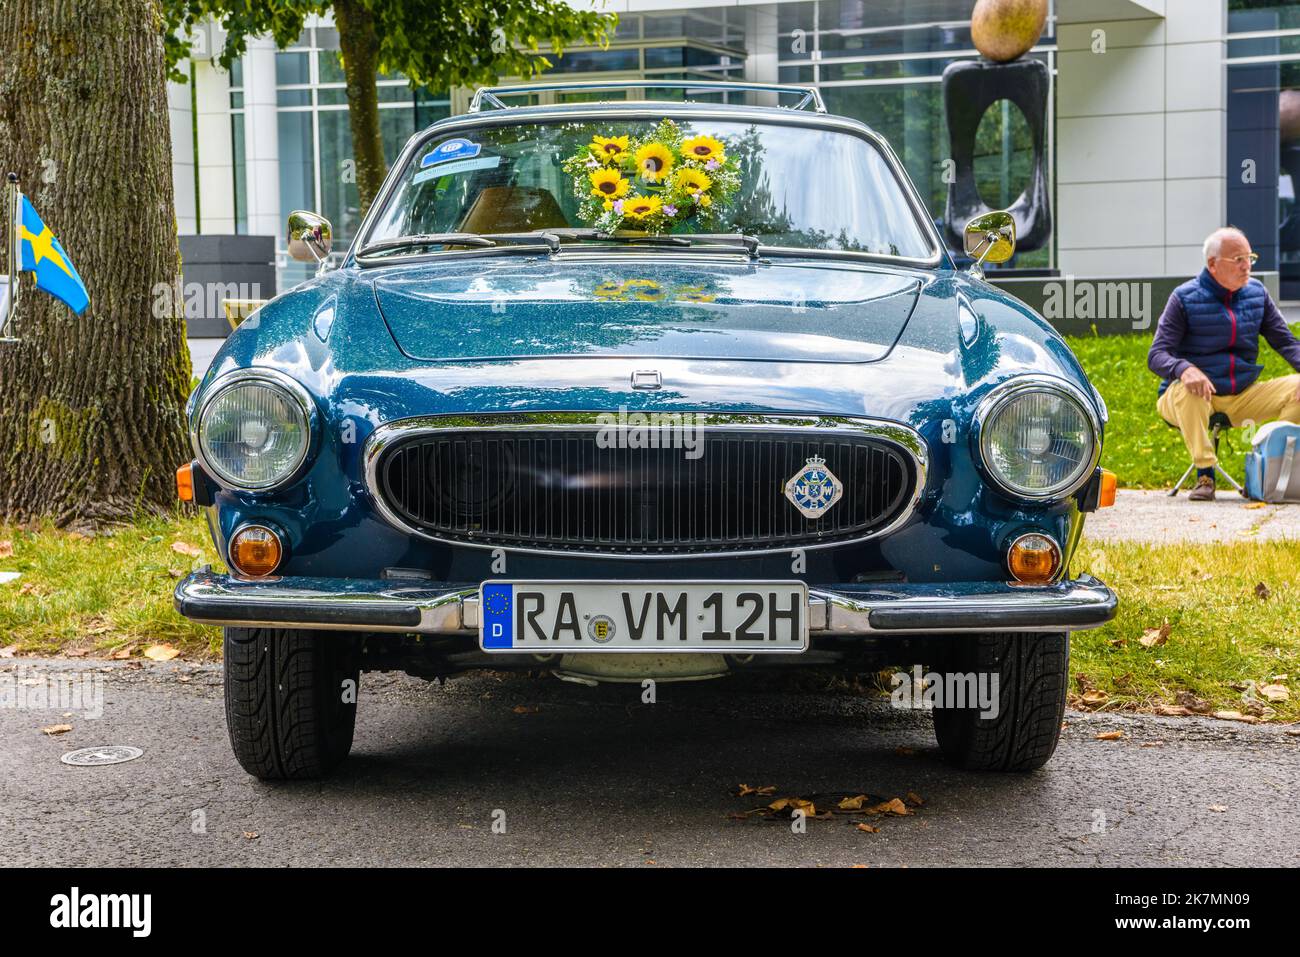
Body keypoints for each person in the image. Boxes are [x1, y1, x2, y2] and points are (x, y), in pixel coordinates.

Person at [1148, 227, 1300, 500]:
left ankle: (1267, 470)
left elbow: (1286, 342)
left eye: (1249, 258)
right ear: (1213, 264)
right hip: (1186, 397)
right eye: (1238, 259)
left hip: (1240, 396)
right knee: (1190, 390)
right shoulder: (1184, 298)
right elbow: (1157, 354)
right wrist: (1184, 369)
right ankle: (1205, 474)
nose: (1247, 266)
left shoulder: (1257, 293)